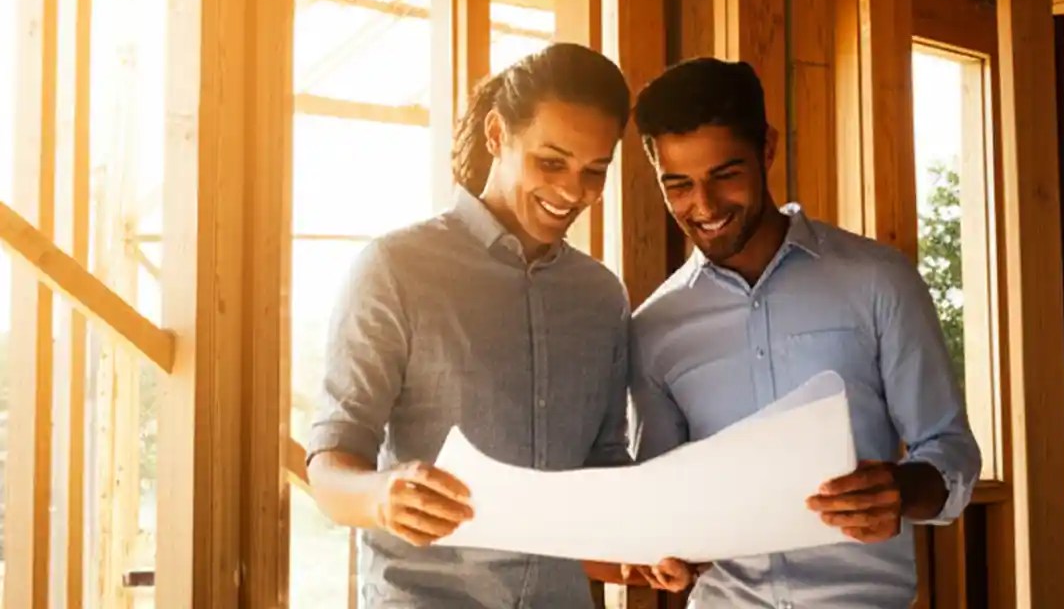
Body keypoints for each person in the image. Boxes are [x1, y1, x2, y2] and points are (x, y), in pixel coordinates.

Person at [306, 43, 666, 607]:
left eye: (594, 172)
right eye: (551, 162)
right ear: (498, 135)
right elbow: (329, 467)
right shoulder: (397, 269)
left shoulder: (600, 297)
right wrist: (382, 496)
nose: (573, 192)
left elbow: (601, 467)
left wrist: (651, 544)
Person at [629, 58, 982, 608]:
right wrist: (665, 547)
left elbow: (952, 450)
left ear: (766, 148)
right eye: (678, 185)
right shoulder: (654, 329)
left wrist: (899, 490)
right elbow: (663, 500)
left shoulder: (878, 282)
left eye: (725, 175)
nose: (703, 206)